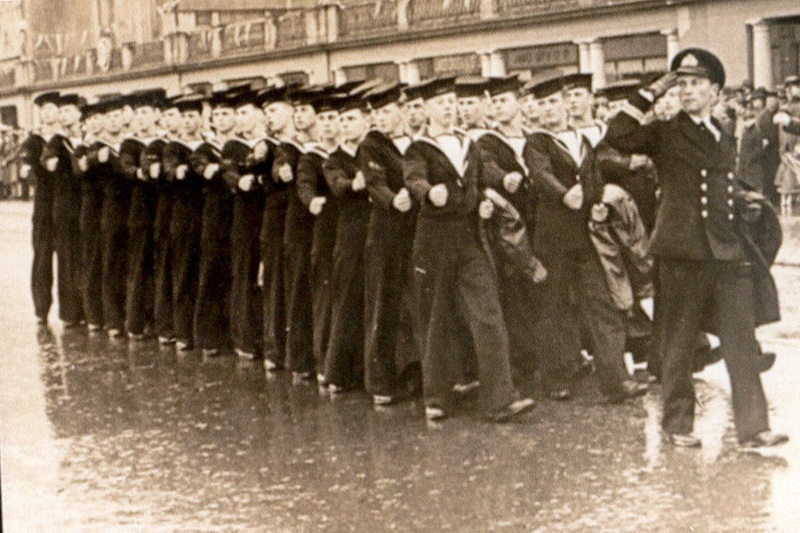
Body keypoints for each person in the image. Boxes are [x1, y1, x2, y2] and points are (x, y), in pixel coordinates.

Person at [604, 48, 788, 449]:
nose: (686, 92)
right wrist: (649, 94)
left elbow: (722, 184)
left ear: (715, 91)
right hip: (681, 250)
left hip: (723, 249)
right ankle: (677, 426)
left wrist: (744, 205)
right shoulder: (665, 131)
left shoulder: (724, 132)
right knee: (679, 341)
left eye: (695, 84)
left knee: (740, 338)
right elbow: (616, 136)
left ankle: (754, 429)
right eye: (681, 84)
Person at [403, 76, 535, 422]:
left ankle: (500, 400)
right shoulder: (420, 147)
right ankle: (436, 397)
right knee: (437, 319)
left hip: (469, 238)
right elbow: (413, 177)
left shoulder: (467, 143)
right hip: (434, 241)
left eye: (452, 103)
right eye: (441, 104)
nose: (448, 109)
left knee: (488, 313)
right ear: (428, 110)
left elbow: (480, 174)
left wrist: (488, 195)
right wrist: (428, 192)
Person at [524, 73, 647, 403]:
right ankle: (556, 376)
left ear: (565, 103)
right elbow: (540, 174)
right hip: (552, 239)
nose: (550, 109)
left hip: (586, 236)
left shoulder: (582, 138)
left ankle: (616, 378)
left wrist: (594, 203)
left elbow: (594, 176)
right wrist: (565, 194)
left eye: (554, 102)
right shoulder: (537, 141)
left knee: (602, 303)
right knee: (554, 306)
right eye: (543, 104)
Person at [358, 82, 419, 405]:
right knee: (384, 304)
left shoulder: (412, 142)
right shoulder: (371, 146)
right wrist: (394, 200)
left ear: (401, 110)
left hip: (412, 233)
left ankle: (412, 372)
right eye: (376, 113)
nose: (381, 118)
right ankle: (381, 382)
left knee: (412, 304)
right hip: (384, 235)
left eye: (387, 111)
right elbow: (374, 184)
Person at [322, 93, 372, 393]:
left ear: (366, 121)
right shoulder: (335, 159)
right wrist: (353, 184)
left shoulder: (372, 150)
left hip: (377, 232)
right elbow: (337, 184)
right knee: (348, 301)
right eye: (343, 120)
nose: (346, 124)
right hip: (351, 237)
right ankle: (339, 373)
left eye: (352, 118)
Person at [295, 91, 341, 386]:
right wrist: (311, 201)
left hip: (350, 229)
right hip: (325, 232)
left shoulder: (351, 154)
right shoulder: (311, 157)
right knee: (326, 297)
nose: (326, 124)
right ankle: (325, 362)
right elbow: (304, 183)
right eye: (322, 119)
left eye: (332, 118)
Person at [190, 88, 237, 356]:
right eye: (216, 115)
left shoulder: (244, 146)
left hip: (239, 216)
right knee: (212, 274)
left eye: (225, 114)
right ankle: (209, 337)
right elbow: (206, 171)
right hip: (214, 217)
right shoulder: (203, 150)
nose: (220, 119)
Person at [222, 89, 267, 359]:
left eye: (245, 113)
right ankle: (245, 339)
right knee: (245, 275)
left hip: (267, 215)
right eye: (237, 114)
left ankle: (264, 335)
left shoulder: (269, 144)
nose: (240, 119)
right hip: (244, 218)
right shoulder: (232, 146)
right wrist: (240, 181)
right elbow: (228, 171)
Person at [120, 89, 166, 340]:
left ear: (156, 115)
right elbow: (125, 166)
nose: (140, 118)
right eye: (136, 114)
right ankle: (136, 322)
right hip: (139, 210)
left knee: (159, 265)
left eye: (145, 113)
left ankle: (158, 320)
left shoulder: (163, 142)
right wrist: (138, 172)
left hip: (161, 209)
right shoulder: (130, 143)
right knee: (138, 265)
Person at [163, 93, 206, 351]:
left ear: (201, 118)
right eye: (184, 117)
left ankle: (202, 330)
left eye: (192, 116)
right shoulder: (174, 148)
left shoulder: (208, 145)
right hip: (183, 216)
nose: (188, 121)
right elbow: (169, 168)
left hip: (206, 214)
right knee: (183, 272)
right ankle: (182, 331)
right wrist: (175, 171)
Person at [41, 93, 86, 328]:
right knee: (68, 258)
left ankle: (89, 310)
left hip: (88, 207)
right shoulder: (57, 141)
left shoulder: (87, 139)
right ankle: (70, 313)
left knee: (86, 257)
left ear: (79, 114)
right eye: (62, 112)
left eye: (69, 111)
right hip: (66, 208)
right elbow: (47, 159)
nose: (65, 115)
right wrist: (50, 163)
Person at [260, 85, 297, 368]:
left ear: (289, 112)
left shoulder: (301, 144)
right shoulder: (268, 148)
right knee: (274, 282)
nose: (268, 117)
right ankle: (274, 351)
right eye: (265, 112)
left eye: (273, 110)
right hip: (274, 221)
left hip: (296, 220)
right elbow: (272, 169)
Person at [21, 91, 60, 325]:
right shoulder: (34, 141)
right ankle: (41, 309)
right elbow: (27, 164)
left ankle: (74, 311)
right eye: (43, 110)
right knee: (42, 257)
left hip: (67, 203)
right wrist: (27, 171)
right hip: (44, 204)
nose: (48, 114)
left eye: (52, 109)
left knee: (70, 258)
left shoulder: (66, 138)